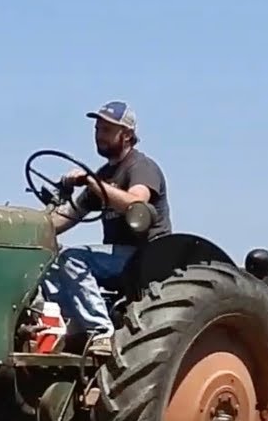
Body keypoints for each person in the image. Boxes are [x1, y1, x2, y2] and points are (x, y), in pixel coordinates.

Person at [40, 100, 172, 356]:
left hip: (145, 256)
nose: (99, 135)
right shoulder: (103, 176)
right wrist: (30, 230)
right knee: (47, 264)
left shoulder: (140, 167)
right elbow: (67, 217)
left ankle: (101, 332)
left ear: (127, 135)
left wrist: (92, 183)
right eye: (97, 129)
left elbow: (136, 202)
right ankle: (72, 327)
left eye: (107, 130)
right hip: (117, 257)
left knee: (73, 259)